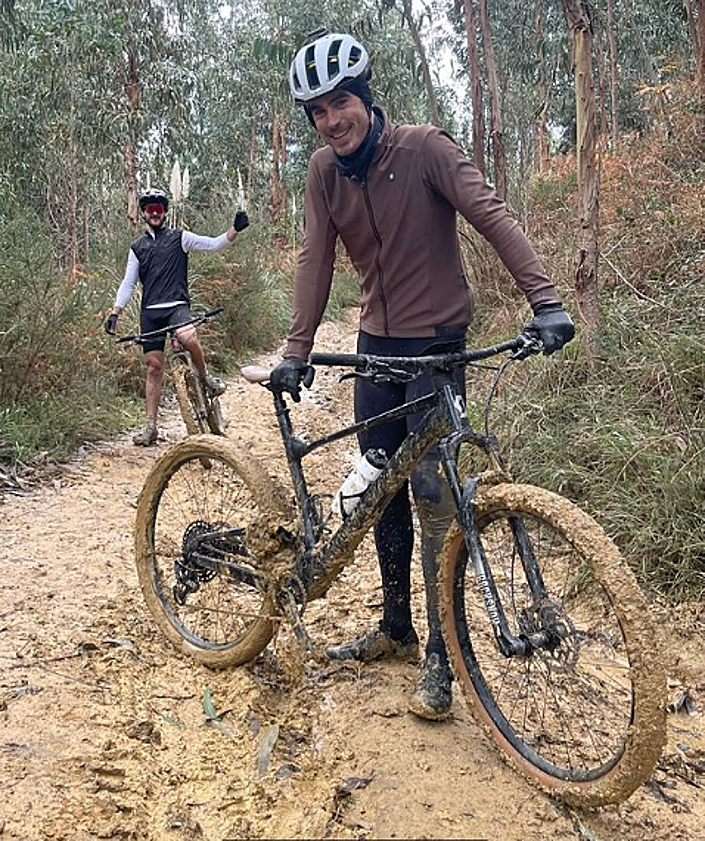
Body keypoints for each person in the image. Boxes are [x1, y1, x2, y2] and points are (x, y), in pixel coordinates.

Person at [270, 30, 575, 720]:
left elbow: (491, 217)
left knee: (434, 495)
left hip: (437, 343)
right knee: (380, 489)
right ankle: (396, 628)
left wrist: (546, 302)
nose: (331, 120)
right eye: (316, 111)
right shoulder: (322, 172)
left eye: (340, 102)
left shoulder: (425, 149)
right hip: (375, 347)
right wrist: (295, 348)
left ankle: (442, 655)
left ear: (366, 97)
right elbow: (314, 260)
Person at [105, 188, 249, 446]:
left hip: (176, 306)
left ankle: (205, 379)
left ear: (166, 212)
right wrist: (115, 312)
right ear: (144, 214)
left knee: (188, 336)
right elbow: (128, 284)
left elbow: (214, 244)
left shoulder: (179, 238)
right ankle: (150, 427)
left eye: (159, 208)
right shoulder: (137, 248)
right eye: (150, 209)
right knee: (153, 367)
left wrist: (235, 229)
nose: (155, 212)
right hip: (150, 313)